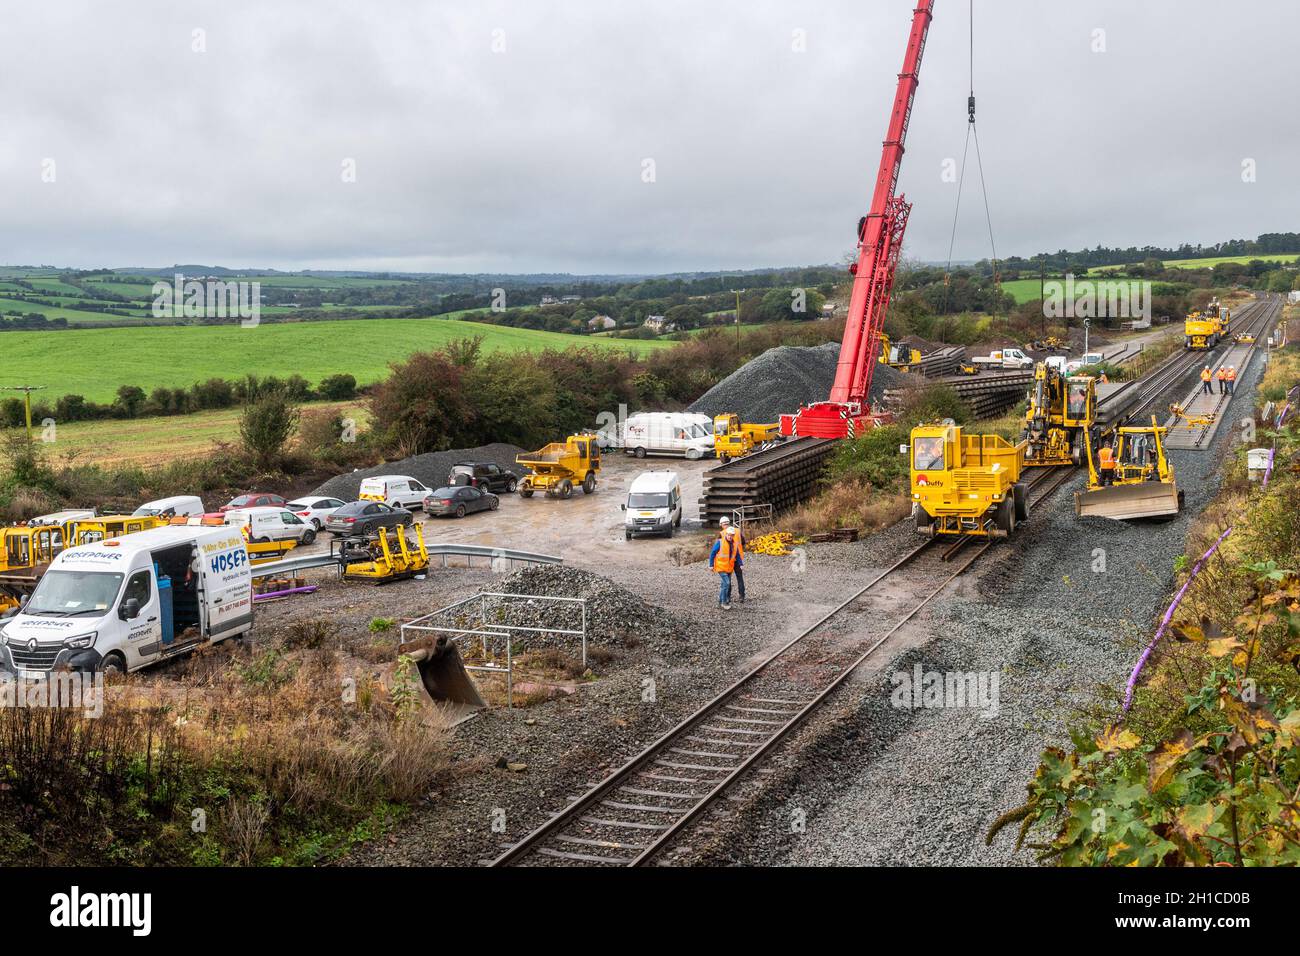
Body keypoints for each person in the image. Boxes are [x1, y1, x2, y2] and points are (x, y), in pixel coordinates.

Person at [718, 517, 747, 603]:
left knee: (728, 579)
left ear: (721, 525)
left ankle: (728, 597)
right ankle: (742, 596)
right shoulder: (737, 531)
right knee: (739, 578)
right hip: (738, 559)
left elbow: (717, 548)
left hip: (728, 561)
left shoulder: (722, 533)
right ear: (729, 522)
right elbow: (744, 542)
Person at [709, 526, 739, 610]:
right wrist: (711, 565)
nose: (730, 537)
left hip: (729, 568)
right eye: (729, 535)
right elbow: (712, 553)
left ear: (733, 536)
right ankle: (724, 602)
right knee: (727, 583)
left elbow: (737, 555)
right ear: (726, 534)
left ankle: (720, 601)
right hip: (720, 567)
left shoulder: (734, 544)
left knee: (723, 585)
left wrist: (741, 564)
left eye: (732, 535)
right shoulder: (720, 542)